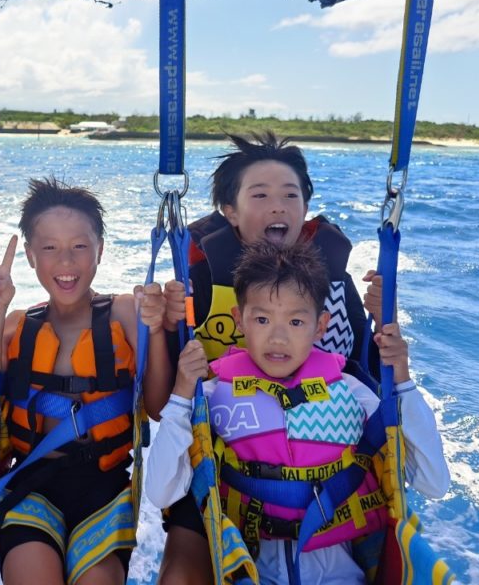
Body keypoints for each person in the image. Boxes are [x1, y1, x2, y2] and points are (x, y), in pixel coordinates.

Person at [146, 241, 450, 585]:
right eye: (262, 319)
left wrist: (403, 382)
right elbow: (160, 491)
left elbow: (433, 482)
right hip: (254, 570)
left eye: (295, 321)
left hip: (343, 572)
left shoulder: (350, 392)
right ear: (240, 320)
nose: (278, 337)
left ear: (320, 326)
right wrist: (183, 396)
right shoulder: (214, 396)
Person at [158, 131, 384, 582]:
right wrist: (161, 328)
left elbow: (370, 387)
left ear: (304, 207)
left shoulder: (332, 292)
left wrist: (381, 328)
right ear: (230, 210)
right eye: (259, 195)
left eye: (290, 195)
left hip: (326, 476)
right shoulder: (199, 287)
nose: (278, 206)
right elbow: (164, 404)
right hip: (220, 469)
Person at [0, 178, 174, 585]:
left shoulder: (126, 313)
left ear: (100, 250)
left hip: (105, 488)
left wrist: (154, 329)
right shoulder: (14, 325)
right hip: (30, 484)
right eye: (49, 248)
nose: (66, 261)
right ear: (30, 256)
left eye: (79, 246)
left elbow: (157, 405)